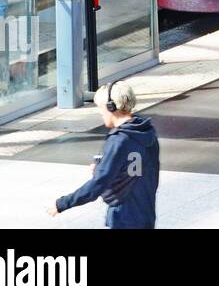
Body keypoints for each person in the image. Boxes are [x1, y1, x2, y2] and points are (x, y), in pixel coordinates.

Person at [48, 80, 160, 229]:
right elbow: (143, 174)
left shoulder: (119, 140)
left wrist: (62, 203)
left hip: (123, 218)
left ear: (110, 107)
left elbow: (99, 184)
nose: (100, 113)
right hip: (146, 215)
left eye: (100, 108)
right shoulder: (147, 132)